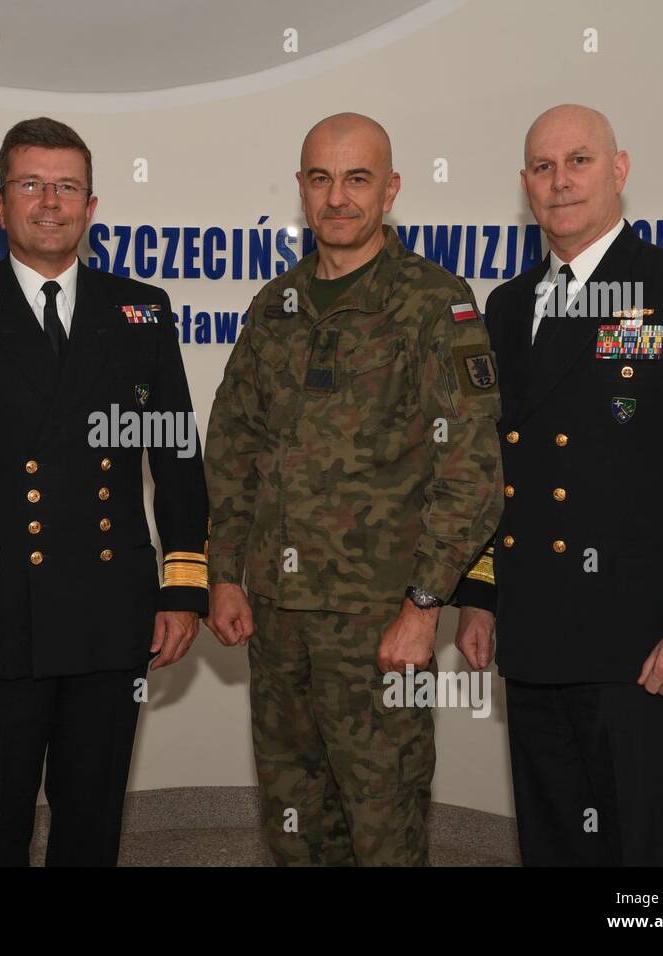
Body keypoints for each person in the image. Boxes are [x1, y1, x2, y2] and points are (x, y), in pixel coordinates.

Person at [452, 104, 663, 865]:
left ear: (620, 170)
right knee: (556, 846)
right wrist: (482, 595)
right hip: (534, 643)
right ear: (524, 184)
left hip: (646, 648)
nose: (559, 182)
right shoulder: (507, 306)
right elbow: (501, 471)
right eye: (542, 167)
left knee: (650, 862)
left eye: (579, 161)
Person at [0, 117, 209, 866]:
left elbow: (175, 459)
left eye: (67, 187)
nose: (50, 202)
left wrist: (183, 585)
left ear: (91, 205)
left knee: (92, 826)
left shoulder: (140, 309)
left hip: (111, 617)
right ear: (0, 206)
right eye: (31, 184)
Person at [204, 113, 504, 865]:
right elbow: (234, 446)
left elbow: (471, 470)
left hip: (379, 624)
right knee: (293, 816)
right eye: (320, 178)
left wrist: (424, 605)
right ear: (302, 188)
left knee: (383, 821)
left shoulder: (437, 303)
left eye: (357, 178)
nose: (337, 197)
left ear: (391, 189)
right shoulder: (275, 306)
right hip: (276, 617)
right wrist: (223, 573)